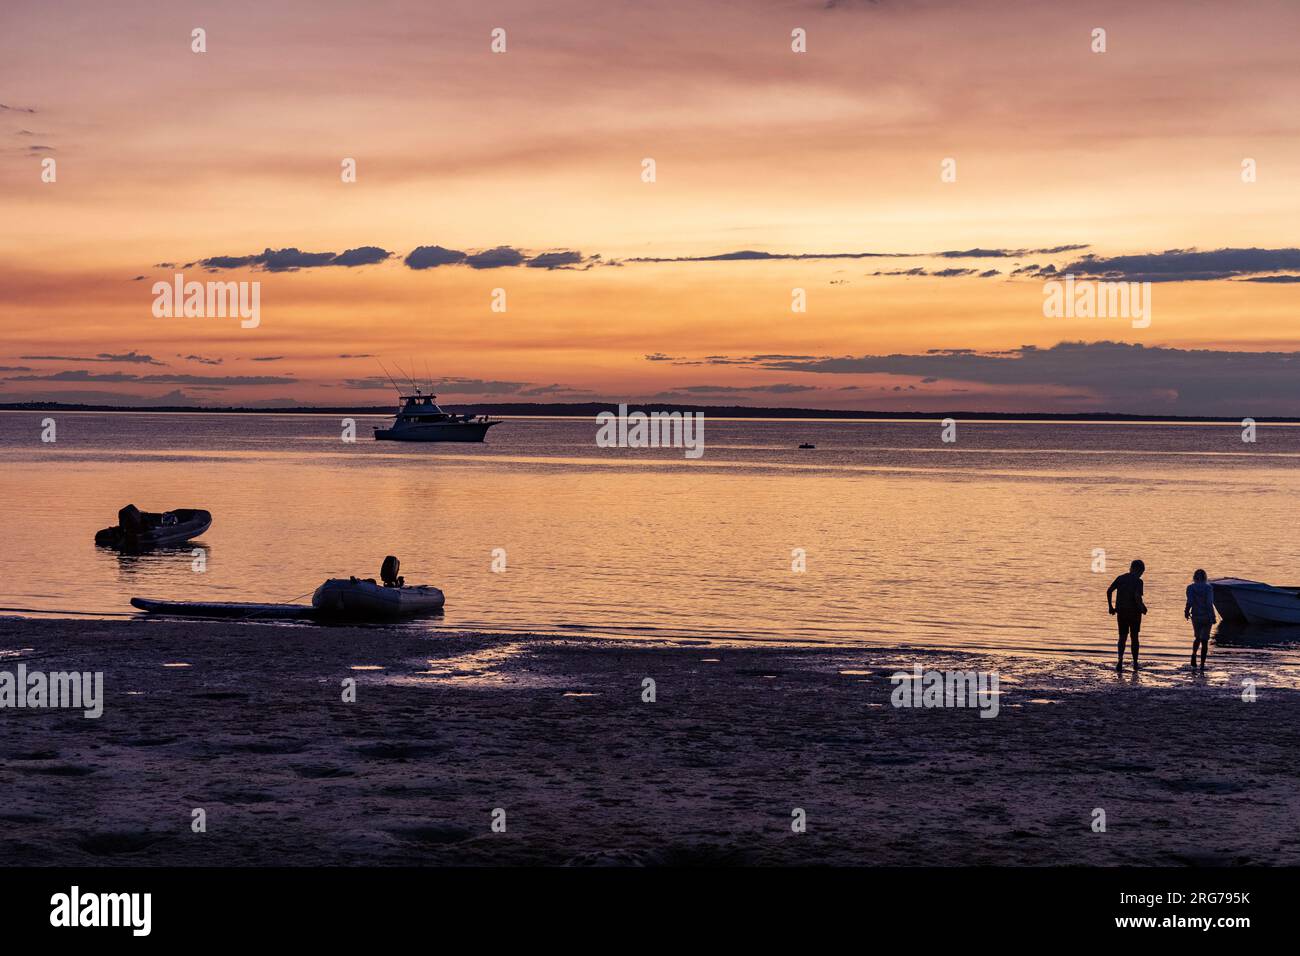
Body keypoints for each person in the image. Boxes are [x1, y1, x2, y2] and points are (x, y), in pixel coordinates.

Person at [1107, 559, 1147, 671]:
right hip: (1134, 613)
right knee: (1134, 638)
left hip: (1122, 611)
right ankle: (1135, 663)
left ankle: (1120, 660)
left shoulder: (1121, 578)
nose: (1141, 575)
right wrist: (1143, 608)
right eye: (1141, 572)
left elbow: (1109, 591)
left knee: (1122, 637)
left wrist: (1110, 607)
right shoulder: (1138, 582)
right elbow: (1137, 596)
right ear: (1137, 570)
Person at [1184, 569, 1216, 669]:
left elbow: (1190, 601)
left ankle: (1194, 654)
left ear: (1194, 577)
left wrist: (1186, 611)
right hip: (1206, 616)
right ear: (1205, 577)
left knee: (1197, 638)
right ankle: (1202, 664)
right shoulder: (1208, 588)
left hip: (1196, 615)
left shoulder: (1190, 588)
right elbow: (1209, 603)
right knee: (1205, 640)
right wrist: (1213, 616)